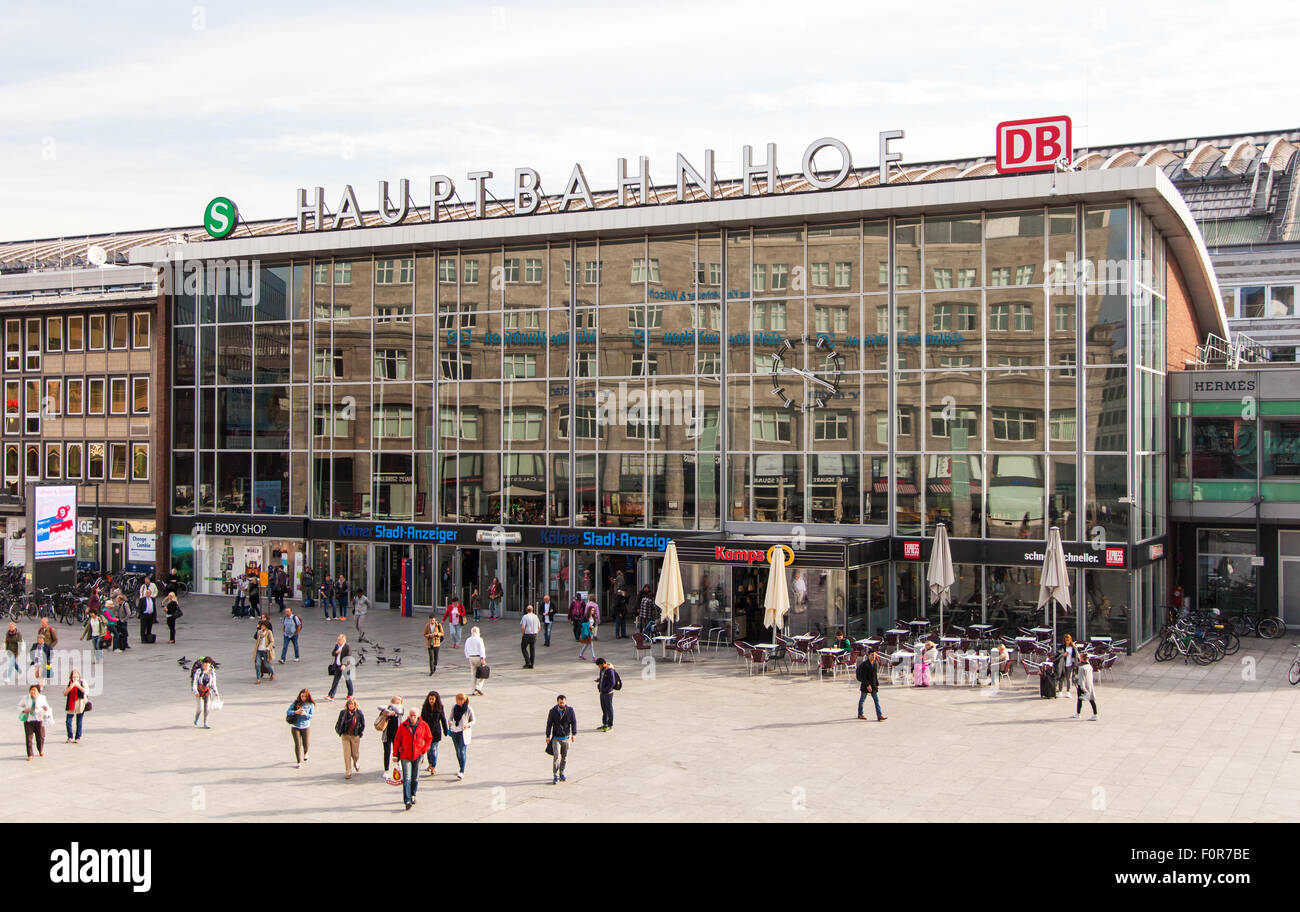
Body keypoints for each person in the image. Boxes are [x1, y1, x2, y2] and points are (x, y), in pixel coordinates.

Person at [393, 708, 432, 810]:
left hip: (418, 755)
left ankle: (413, 794)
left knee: (415, 777)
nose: (412, 717)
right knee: (407, 778)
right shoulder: (403, 726)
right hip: (405, 755)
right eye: (411, 715)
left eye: (414, 716)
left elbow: (429, 738)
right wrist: (395, 755)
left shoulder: (423, 725)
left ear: (418, 716)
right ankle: (407, 800)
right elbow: (397, 740)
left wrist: (424, 750)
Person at [545, 694, 577, 784]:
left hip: (566, 738)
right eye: (560, 703)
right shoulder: (552, 711)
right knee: (556, 757)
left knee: (564, 757)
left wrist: (574, 734)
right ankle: (555, 776)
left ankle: (562, 772)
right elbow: (549, 724)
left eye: (563, 703)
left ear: (565, 702)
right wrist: (548, 736)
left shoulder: (570, 711)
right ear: (557, 702)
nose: (562, 704)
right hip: (556, 738)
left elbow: (574, 722)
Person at [335, 695, 364, 779]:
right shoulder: (343, 713)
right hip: (345, 735)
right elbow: (339, 722)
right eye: (349, 704)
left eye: (352, 704)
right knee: (347, 754)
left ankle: (356, 762)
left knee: (355, 753)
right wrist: (339, 731)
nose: (351, 706)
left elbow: (363, 724)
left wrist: (359, 733)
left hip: (355, 735)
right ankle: (348, 771)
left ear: (355, 705)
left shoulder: (359, 713)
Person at [18, 684, 51, 760]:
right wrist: (23, 710)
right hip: (29, 720)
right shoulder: (25, 698)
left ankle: (40, 749)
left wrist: (46, 708)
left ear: (38, 692)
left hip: (39, 720)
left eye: (34, 690)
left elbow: (47, 706)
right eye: (31, 690)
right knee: (29, 737)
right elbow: (18, 706)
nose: (33, 692)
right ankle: (30, 754)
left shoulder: (42, 698)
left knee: (41, 737)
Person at [420, 691, 448, 777]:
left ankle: (433, 766)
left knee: (434, 749)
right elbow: (421, 720)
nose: (431, 700)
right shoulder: (425, 707)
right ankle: (430, 763)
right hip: (426, 732)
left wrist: (445, 730)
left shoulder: (440, 708)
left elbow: (443, 719)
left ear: (436, 700)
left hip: (436, 731)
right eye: (430, 699)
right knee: (428, 749)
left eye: (433, 699)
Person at [446, 693, 474, 779]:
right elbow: (450, 717)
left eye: (459, 700)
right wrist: (450, 722)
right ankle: (460, 766)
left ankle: (462, 770)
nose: (457, 701)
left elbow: (473, 721)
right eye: (457, 700)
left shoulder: (468, 709)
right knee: (457, 751)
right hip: (455, 731)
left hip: (463, 732)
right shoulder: (454, 707)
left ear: (463, 700)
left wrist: (468, 725)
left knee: (462, 751)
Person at [856, 648, 887, 721]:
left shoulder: (875, 663)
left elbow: (875, 675)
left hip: (873, 685)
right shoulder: (865, 664)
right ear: (868, 655)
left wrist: (877, 684)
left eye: (875, 655)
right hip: (865, 686)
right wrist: (867, 685)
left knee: (876, 700)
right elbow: (863, 677)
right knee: (862, 700)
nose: (874, 656)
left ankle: (879, 716)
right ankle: (860, 714)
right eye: (872, 655)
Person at [288, 688, 314, 768]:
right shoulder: (296, 703)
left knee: (305, 743)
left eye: (305, 696)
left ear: (308, 697)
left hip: (305, 726)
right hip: (295, 726)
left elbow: (311, 716)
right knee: (297, 744)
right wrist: (295, 712)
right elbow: (288, 711)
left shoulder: (310, 704)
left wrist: (305, 714)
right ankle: (298, 761)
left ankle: (306, 753)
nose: (303, 698)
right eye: (302, 696)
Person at [377, 696, 403, 775]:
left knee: (398, 751)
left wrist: (391, 709)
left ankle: (398, 764)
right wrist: (388, 710)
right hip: (387, 734)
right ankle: (386, 770)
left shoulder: (401, 708)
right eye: (396, 699)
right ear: (393, 701)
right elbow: (379, 707)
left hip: (397, 734)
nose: (398, 701)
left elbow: (398, 711)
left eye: (399, 700)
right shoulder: (389, 708)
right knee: (387, 752)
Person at [62, 670, 88, 743]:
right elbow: (64, 693)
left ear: (79, 677)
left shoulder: (82, 682)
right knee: (68, 721)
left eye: (77, 677)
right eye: (74, 677)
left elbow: (85, 691)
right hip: (71, 703)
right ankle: (70, 736)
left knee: (79, 721)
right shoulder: (69, 683)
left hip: (80, 703)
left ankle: (78, 737)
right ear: (71, 677)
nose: (75, 678)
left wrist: (78, 686)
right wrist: (71, 686)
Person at [193, 658, 218, 728]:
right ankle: (196, 718)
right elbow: (195, 681)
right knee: (199, 708)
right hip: (199, 691)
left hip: (207, 691)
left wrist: (216, 691)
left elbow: (213, 683)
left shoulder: (212, 671)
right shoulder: (199, 671)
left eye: (207, 663)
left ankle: (205, 723)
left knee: (207, 707)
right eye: (205, 663)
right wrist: (195, 691)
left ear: (210, 664)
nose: (206, 665)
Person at [595, 657, 620, 731]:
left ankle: (610, 725)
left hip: (608, 693)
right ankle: (604, 723)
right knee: (604, 709)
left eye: (599, 665)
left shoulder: (610, 670)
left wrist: (606, 689)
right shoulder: (602, 670)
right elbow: (602, 678)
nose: (599, 667)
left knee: (609, 709)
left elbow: (612, 682)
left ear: (603, 664)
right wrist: (599, 682)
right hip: (602, 692)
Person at [326, 634, 353, 701]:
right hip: (337, 665)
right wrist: (336, 652)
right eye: (338, 639)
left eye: (339, 640)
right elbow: (332, 653)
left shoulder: (347, 647)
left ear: (343, 640)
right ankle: (331, 695)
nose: (338, 641)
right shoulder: (337, 646)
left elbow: (348, 657)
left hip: (344, 666)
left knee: (347, 680)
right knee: (335, 680)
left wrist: (344, 665)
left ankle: (350, 694)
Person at [463, 626, 487, 695]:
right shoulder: (479, 639)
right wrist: (483, 658)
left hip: (471, 657)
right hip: (478, 657)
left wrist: (468, 656)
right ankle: (478, 687)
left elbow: (465, 649)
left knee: (473, 674)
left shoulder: (468, 639)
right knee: (483, 673)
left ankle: (473, 690)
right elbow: (482, 649)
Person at [1074, 656, 1098, 721]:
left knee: (1079, 699)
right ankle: (1095, 714)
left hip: (1082, 686)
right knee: (1091, 700)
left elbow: (1081, 679)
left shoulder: (1081, 668)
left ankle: (1078, 714)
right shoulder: (1089, 666)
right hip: (1089, 685)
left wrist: (1082, 687)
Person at [254, 619, 276, 683]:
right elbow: (255, 637)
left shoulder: (269, 632)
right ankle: (258, 679)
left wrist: (268, 648)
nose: (262, 627)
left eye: (263, 626)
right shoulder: (259, 632)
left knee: (266, 664)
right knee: (258, 664)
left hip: (265, 650)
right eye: (261, 626)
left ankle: (272, 672)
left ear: (266, 626)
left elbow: (272, 641)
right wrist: (257, 629)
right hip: (259, 650)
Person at [138, 575, 158, 642]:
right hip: (144, 614)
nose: (146, 581)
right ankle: (143, 639)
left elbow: (154, 608)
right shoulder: (143, 599)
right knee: (143, 627)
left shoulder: (152, 599)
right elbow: (139, 607)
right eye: (147, 593)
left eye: (149, 593)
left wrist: (154, 616)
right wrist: (141, 614)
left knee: (149, 627)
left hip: (150, 615)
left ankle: (148, 638)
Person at [520, 604, 540, 669]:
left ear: (526, 610)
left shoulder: (525, 617)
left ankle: (527, 662)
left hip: (527, 634)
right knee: (532, 649)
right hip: (534, 634)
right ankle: (532, 663)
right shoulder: (536, 616)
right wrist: (536, 632)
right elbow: (539, 627)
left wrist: (523, 634)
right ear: (532, 610)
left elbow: (523, 627)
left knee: (523, 647)